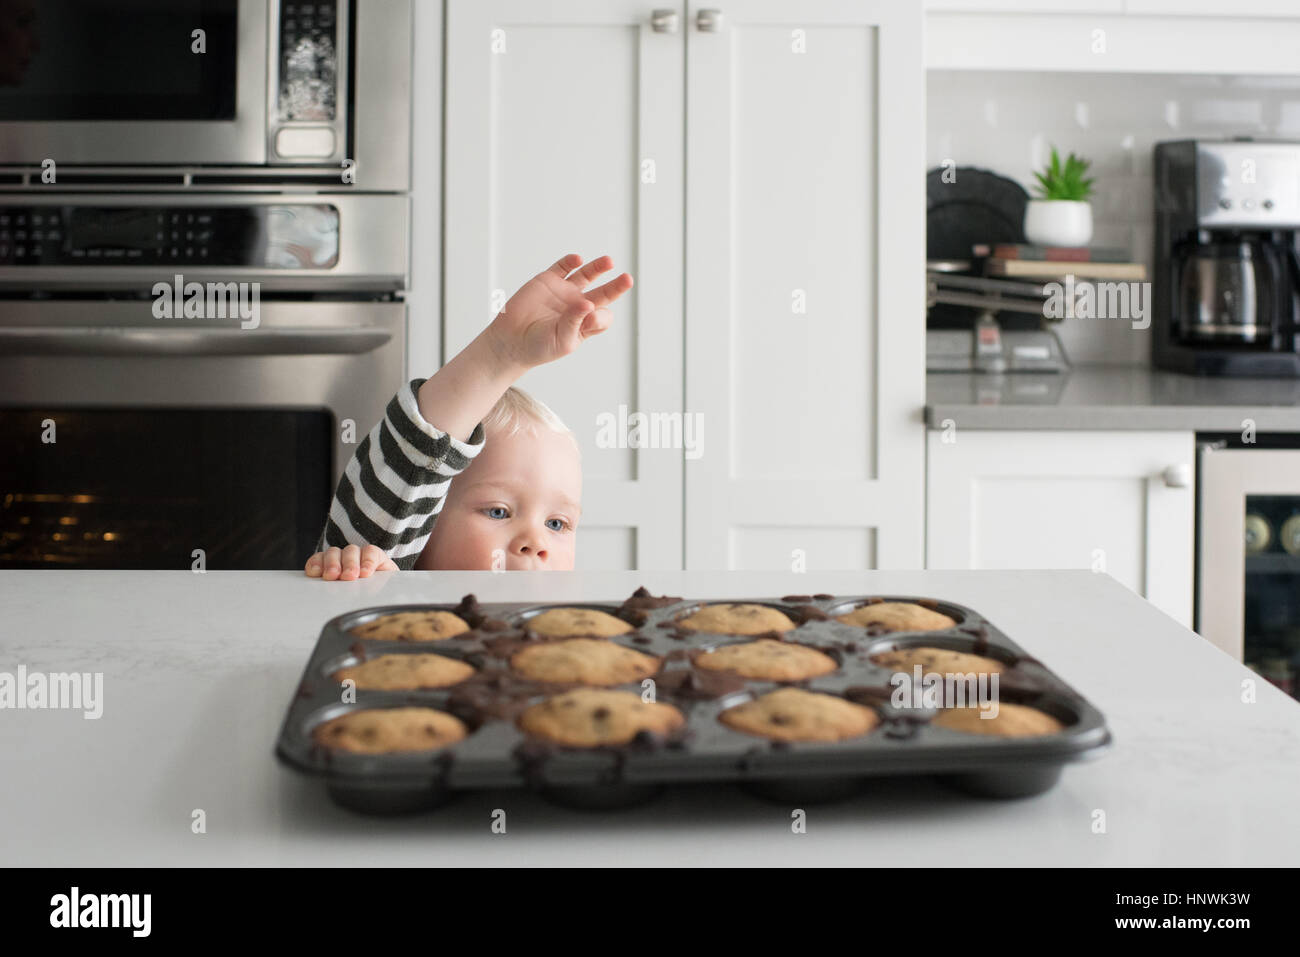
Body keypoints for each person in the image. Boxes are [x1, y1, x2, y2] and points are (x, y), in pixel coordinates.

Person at [305, 253, 632, 580]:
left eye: (556, 524)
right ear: (422, 523)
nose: (536, 543)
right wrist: (501, 353)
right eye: (498, 512)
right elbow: (414, 462)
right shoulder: (387, 596)